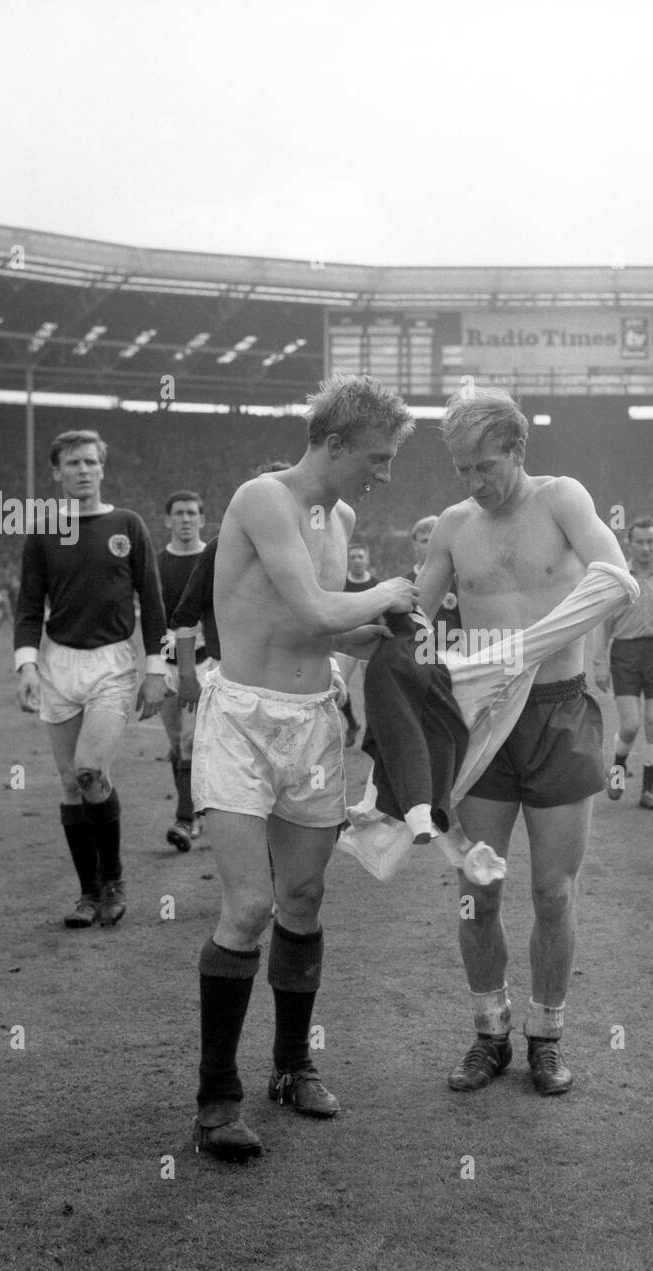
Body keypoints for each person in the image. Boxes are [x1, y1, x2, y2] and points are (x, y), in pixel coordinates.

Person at [189, 376, 419, 1162]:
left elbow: (327, 636)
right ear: (332, 443)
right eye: (376, 458)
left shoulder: (341, 515)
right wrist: (385, 589)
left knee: (304, 897)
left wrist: (390, 635)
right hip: (242, 722)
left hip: (313, 722)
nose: (383, 475)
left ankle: (291, 1066)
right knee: (248, 905)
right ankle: (216, 1094)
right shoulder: (263, 498)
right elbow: (323, 611)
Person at [418, 386, 629, 1096]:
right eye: (460, 470)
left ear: (515, 449)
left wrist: (524, 650)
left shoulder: (563, 498)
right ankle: (489, 1034)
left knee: (551, 890)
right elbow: (412, 623)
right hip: (481, 722)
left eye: (484, 465)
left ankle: (546, 1034)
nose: (473, 483)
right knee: (477, 887)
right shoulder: (452, 525)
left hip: (558, 714)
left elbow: (614, 579)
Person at [15, 429, 168, 928]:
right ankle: (87, 894)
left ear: (103, 469)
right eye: (72, 463)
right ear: (56, 472)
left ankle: (114, 880)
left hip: (113, 664)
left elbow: (153, 601)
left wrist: (154, 671)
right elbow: (28, 606)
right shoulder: (42, 531)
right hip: (59, 663)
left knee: (89, 772)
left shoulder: (128, 524)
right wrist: (27, 665)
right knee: (68, 783)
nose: (83, 470)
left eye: (90, 462)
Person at [594, 517, 653, 809]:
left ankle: (647, 791)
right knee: (631, 725)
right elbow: (603, 626)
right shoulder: (618, 578)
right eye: (640, 542)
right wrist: (599, 664)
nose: (646, 547)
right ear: (629, 544)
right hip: (625, 655)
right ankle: (617, 774)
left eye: (651, 541)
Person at [157, 490, 208, 852]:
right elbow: (153, 616)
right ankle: (194, 810)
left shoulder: (212, 557)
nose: (186, 519)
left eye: (192, 513)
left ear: (202, 520)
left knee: (192, 740)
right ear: (168, 520)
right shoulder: (157, 563)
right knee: (176, 743)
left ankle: (185, 818)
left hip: (204, 660)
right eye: (179, 513)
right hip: (166, 660)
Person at [339, 539, 379, 747]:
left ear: (367, 559)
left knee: (372, 691)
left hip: (370, 645)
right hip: (345, 644)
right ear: (348, 560)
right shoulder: (340, 584)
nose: (356, 561)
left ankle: (372, 736)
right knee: (338, 689)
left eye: (360, 556)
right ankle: (352, 724)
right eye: (352, 557)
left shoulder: (377, 585)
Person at [407, 514, 463, 649]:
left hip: (454, 656)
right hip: (418, 655)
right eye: (425, 541)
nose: (430, 546)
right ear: (415, 544)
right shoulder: (404, 584)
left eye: (434, 540)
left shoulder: (459, 581)